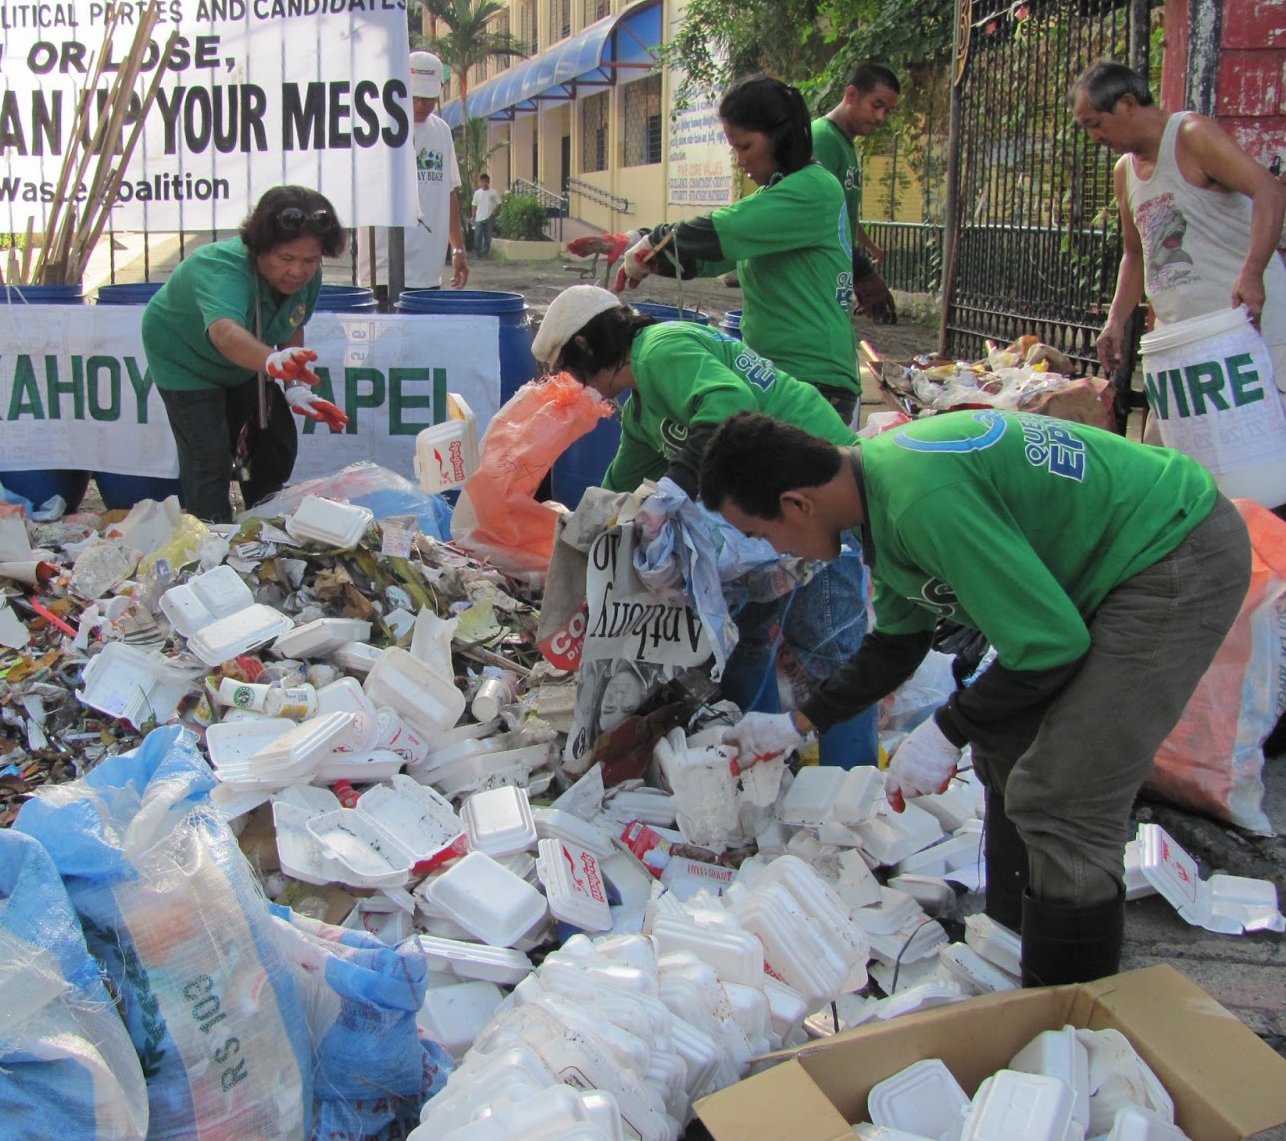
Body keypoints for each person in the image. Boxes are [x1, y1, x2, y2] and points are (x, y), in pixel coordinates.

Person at [699, 409, 1250, 986]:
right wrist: (798, 723)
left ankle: (1074, 1005)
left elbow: (1050, 648)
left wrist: (946, 728)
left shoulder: (921, 500)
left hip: (1171, 552)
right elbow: (898, 643)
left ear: (796, 504)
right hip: (1099, 566)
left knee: (1065, 790)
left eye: (762, 535)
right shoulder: (877, 495)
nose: (772, 548)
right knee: (1005, 745)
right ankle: (1010, 946)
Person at [531, 284, 877, 767]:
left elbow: (727, 404)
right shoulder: (643, 409)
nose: (577, 385)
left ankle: (851, 782)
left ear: (587, 348)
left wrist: (674, 486)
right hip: (765, 523)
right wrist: (578, 540)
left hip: (819, 500)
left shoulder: (660, 347)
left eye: (570, 369)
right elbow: (619, 488)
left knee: (827, 644)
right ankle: (765, 763)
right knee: (742, 642)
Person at [620, 74, 861, 424]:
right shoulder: (775, 197)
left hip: (815, 380)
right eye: (735, 150)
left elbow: (723, 229)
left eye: (745, 147)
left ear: (779, 138)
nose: (741, 161)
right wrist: (658, 262)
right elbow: (717, 255)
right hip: (775, 374)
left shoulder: (815, 189)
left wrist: (655, 239)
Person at [141, 185, 350, 523]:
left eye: (310, 260)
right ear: (259, 249)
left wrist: (296, 387)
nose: (298, 271)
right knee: (208, 457)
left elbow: (290, 321)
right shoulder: (219, 267)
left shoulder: (307, 276)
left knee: (274, 442)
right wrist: (272, 363)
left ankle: (262, 524)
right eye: (287, 259)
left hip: (249, 360)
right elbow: (224, 332)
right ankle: (213, 541)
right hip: (185, 360)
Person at [1073, 60, 1286, 385]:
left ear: (1127, 104)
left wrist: (1253, 272)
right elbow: (1136, 253)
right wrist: (1115, 320)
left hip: (1246, 331)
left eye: (1095, 123)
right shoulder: (1125, 172)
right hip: (1181, 344)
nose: (1094, 137)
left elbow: (1268, 190)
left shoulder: (1190, 135)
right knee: (1171, 438)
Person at [356, 50, 469, 306]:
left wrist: (458, 249)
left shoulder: (441, 132)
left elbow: (448, 192)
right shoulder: (377, 127)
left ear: (440, 88)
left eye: (428, 98)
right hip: (381, 270)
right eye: (415, 96)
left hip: (427, 270)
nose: (421, 104)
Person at [813, 62, 901, 324]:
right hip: (816, 280)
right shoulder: (823, 140)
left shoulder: (845, 144)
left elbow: (843, 211)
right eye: (876, 105)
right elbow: (818, 215)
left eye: (887, 110)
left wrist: (869, 245)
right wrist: (861, 272)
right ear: (851, 95)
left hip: (836, 275)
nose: (881, 117)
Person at [471, 172, 502, 257]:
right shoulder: (477, 193)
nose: (484, 183)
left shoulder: (493, 192)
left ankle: (485, 253)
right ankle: (478, 252)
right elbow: (474, 204)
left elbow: (499, 203)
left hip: (489, 217)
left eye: (486, 181)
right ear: (481, 182)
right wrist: (473, 215)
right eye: (483, 182)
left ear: (488, 182)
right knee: (478, 236)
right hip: (479, 217)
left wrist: (494, 211)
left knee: (488, 237)